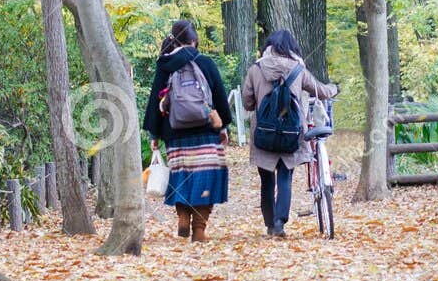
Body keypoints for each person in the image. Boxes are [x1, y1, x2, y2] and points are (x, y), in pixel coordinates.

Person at [240, 28, 338, 238]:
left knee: (266, 181)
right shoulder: (298, 69)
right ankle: (279, 223)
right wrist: (334, 88)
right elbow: (319, 90)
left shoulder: (255, 69)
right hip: (291, 133)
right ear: (291, 48)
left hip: (263, 134)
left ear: (268, 47)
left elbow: (247, 103)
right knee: (286, 177)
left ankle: (269, 224)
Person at [141, 19, 231, 243]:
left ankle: (182, 216)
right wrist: (224, 126)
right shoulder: (206, 63)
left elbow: (156, 101)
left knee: (181, 177)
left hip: (175, 133)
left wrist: (155, 135)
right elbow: (219, 96)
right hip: (206, 131)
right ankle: (199, 229)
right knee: (205, 179)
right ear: (194, 39)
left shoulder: (165, 64)